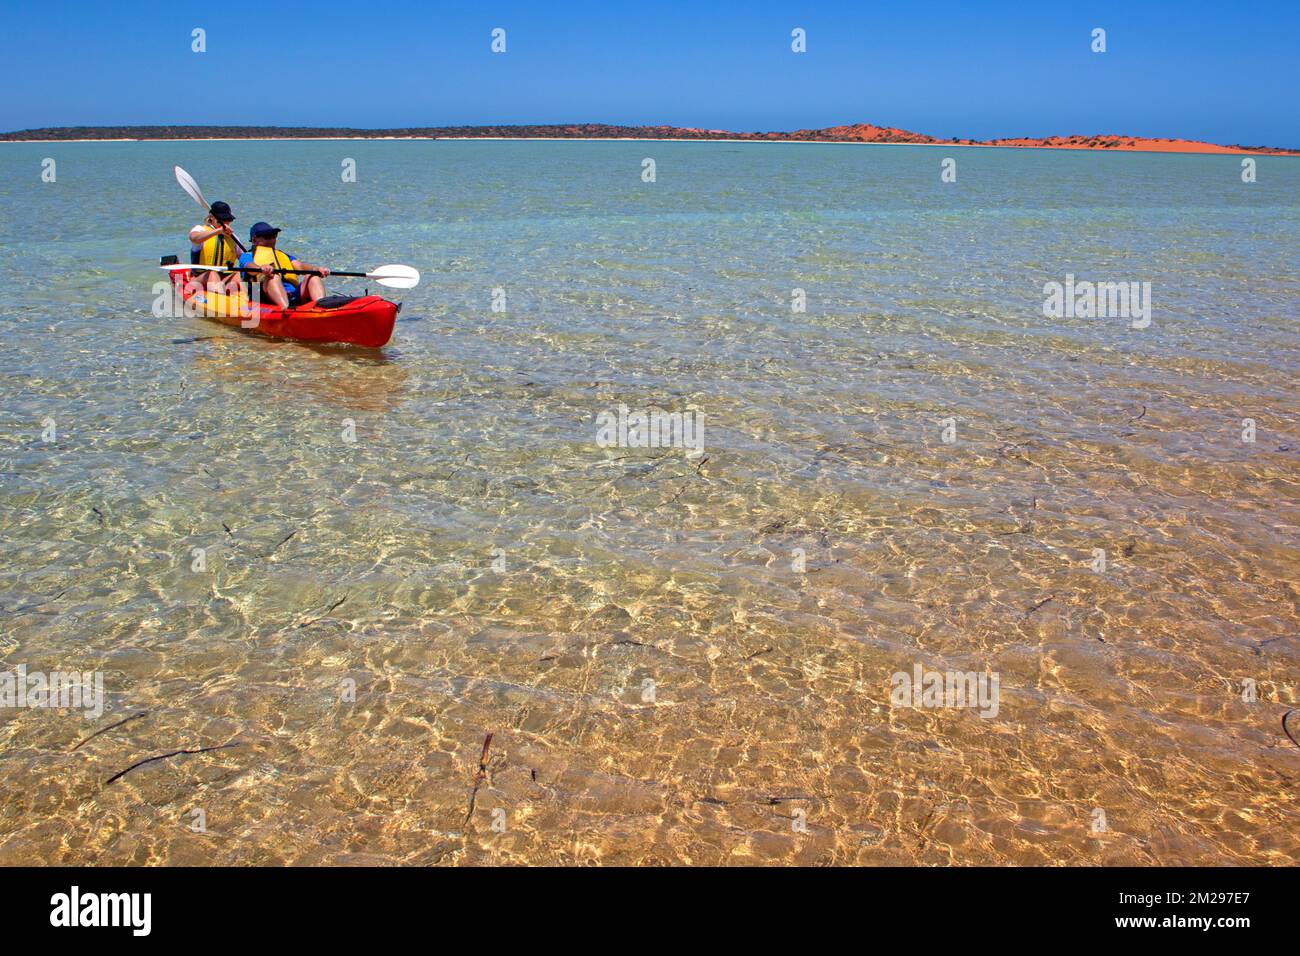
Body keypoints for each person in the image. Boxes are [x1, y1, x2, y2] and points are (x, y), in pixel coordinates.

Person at [236, 222, 330, 308]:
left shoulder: (283, 255)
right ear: (254, 240)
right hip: (265, 298)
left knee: (312, 276)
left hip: (292, 296)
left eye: (274, 235)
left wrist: (317, 269)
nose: (272, 239)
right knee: (273, 277)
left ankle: (321, 307)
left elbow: (300, 266)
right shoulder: (247, 255)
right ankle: (285, 310)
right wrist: (260, 268)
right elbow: (249, 267)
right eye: (267, 236)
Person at [188, 201, 243, 294]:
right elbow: (194, 238)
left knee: (239, 275)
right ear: (211, 217)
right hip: (200, 279)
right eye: (222, 219)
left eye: (228, 219)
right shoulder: (200, 229)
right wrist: (218, 231)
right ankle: (219, 301)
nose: (226, 222)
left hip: (224, 279)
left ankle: (251, 300)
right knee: (212, 274)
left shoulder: (233, 237)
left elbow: (243, 257)